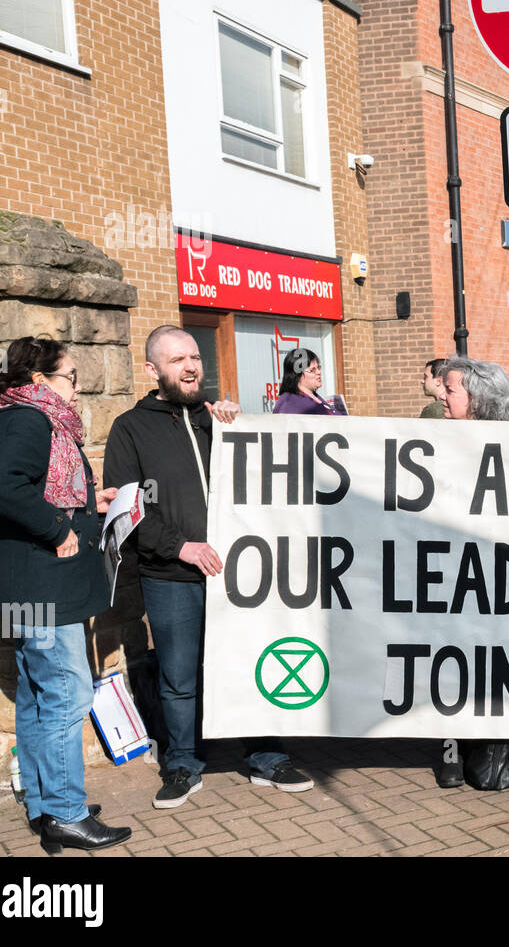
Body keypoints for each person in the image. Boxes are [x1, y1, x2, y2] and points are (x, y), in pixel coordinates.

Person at [104, 325, 315, 808]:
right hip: (171, 576)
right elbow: (127, 510)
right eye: (177, 360)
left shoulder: (218, 419)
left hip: (241, 575)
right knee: (179, 677)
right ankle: (182, 763)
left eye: (195, 356)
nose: (191, 366)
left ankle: (266, 756)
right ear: (152, 370)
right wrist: (182, 547)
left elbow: (264, 479)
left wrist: (242, 428)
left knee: (250, 663)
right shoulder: (130, 428)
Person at [0, 337, 134, 854]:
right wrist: (56, 530)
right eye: (71, 376)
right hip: (42, 581)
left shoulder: (22, 415)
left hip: (26, 582)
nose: (78, 386)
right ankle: (66, 814)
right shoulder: (32, 419)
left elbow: (43, 485)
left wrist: (94, 503)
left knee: (37, 694)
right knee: (69, 694)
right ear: (42, 380)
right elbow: (4, 486)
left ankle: (47, 803)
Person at [432, 357, 509, 790]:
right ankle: (450, 748)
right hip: (451, 570)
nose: (441, 394)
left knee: (495, 656)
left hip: (497, 573)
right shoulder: (434, 440)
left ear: (478, 401)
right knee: (448, 654)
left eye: (450, 390)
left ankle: (500, 747)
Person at [272, 348, 343, 415]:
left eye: (318, 368)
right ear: (297, 375)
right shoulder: (288, 403)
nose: (319, 372)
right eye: (312, 370)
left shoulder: (315, 397)